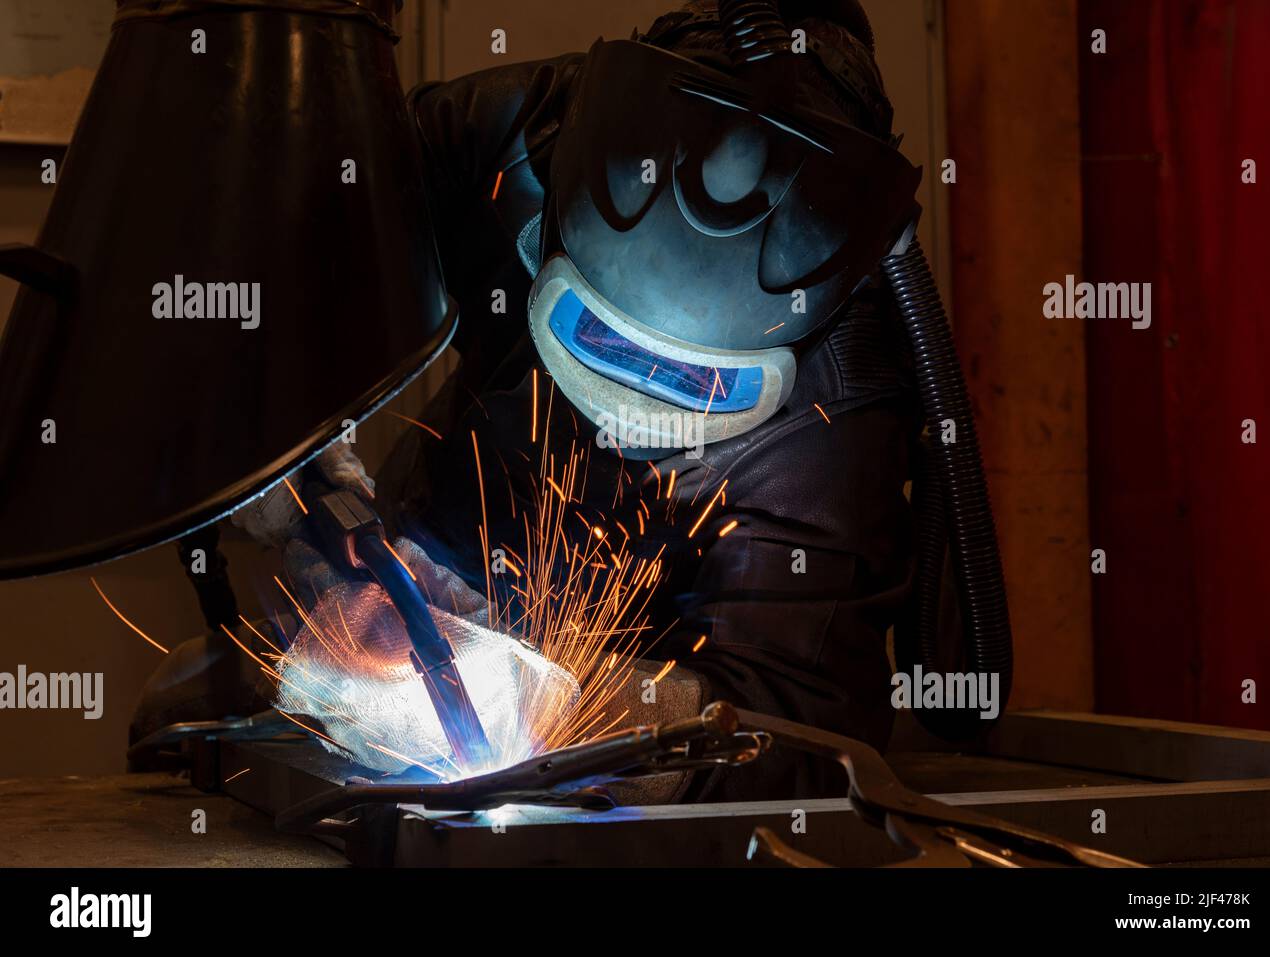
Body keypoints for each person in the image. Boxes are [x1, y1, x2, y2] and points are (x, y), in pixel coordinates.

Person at [140, 0, 925, 802]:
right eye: (598, 342)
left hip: (648, 684)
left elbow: (805, 734)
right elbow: (264, 238)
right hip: (451, 521)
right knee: (186, 713)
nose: (618, 413)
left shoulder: (841, 409)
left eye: (685, 385)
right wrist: (290, 459)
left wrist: (572, 710)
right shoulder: (507, 144)